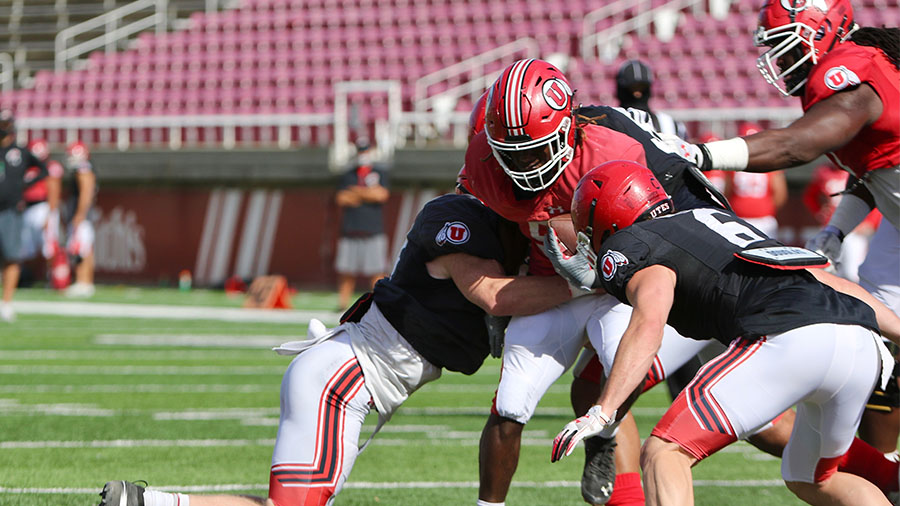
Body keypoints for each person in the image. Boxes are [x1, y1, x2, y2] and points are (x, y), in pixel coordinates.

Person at [98, 193, 579, 506]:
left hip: (342, 375)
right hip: (344, 382)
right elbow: (495, 295)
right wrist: (587, 287)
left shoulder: (500, 240)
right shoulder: (458, 222)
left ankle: (144, 502)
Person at [550, 160, 900, 506]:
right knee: (816, 479)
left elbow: (649, 319)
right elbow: (828, 281)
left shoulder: (632, 242)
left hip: (787, 336)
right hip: (858, 342)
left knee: (664, 451)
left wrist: (604, 409)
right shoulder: (715, 220)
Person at [462, 58, 730, 506]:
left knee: (621, 370)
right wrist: (506, 291)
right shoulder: (486, 164)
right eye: (512, 153)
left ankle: (603, 440)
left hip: (611, 286)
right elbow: (503, 227)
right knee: (510, 405)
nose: (524, 164)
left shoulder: (611, 150)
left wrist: (598, 268)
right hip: (550, 288)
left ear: (568, 129)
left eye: (535, 148)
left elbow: (647, 239)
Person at [665, 0, 899, 317]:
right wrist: (837, 229)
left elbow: (794, 145)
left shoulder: (854, 73)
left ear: (823, 30)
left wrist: (698, 154)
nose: (780, 60)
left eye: (784, 45)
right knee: (884, 317)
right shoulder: (867, 62)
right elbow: (872, 170)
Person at [0, 110, 47, 322]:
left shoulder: (20, 152)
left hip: (10, 210)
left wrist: (23, 186)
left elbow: (43, 170)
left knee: (11, 256)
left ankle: (6, 302)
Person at [334, 138, 390, 311]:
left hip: (373, 229)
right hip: (351, 229)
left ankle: (380, 302)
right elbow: (342, 198)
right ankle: (342, 304)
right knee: (346, 270)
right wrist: (368, 194)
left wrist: (357, 192)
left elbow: (380, 195)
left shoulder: (379, 171)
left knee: (376, 270)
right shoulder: (348, 173)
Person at [722, 122, 788, 239]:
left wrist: (765, 209)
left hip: (763, 220)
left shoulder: (770, 163)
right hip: (740, 218)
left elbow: (780, 194)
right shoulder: (733, 165)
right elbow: (728, 192)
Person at [19, 138, 63, 284]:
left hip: (43, 207)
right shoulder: (26, 168)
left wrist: (50, 215)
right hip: (28, 209)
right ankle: (27, 279)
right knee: (27, 248)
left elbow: (54, 192)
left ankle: (53, 279)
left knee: (49, 247)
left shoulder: (50, 167)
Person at [614, 59, 688, 139]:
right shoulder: (608, 124)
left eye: (642, 88)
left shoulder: (670, 125)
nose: (637, 94)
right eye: (632, 88)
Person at [62, 140, 97, 298]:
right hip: (83, 215)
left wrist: (79, 214)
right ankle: (84, 282)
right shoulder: (84, 169)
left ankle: (84, 282)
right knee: (84, 248)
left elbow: (86, 193)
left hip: (82, 216)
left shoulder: (83, 170)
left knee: (81, 249)